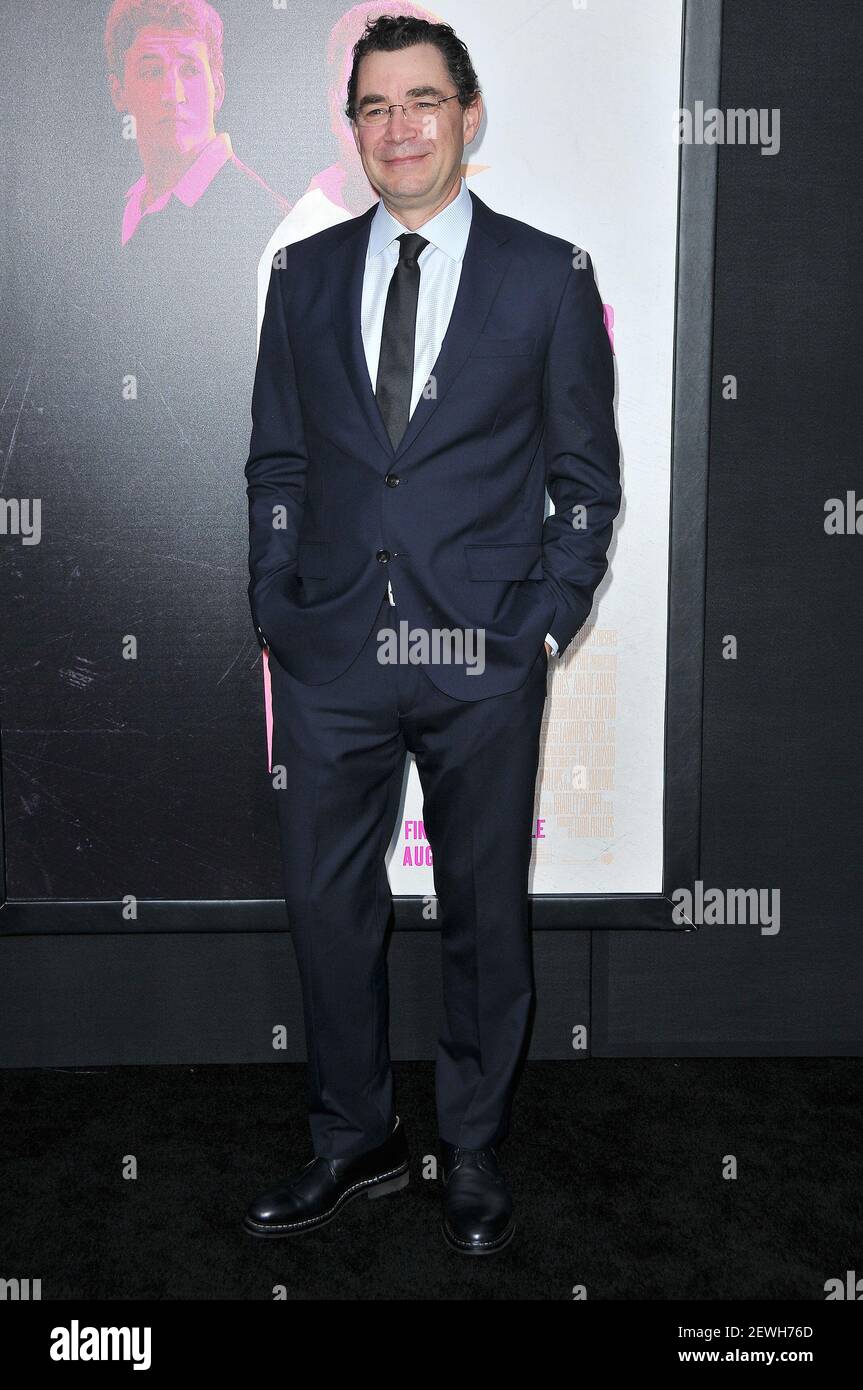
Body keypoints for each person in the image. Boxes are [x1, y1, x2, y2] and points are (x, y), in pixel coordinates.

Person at [242, 14, 621, 1254]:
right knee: (328, 908)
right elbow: (279, 460)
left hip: (477, 659)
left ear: (467, 116)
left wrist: (540, 627)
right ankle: (353, 1138)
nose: (396, 128)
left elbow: (582, 480)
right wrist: (277, 602)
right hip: (332, 657)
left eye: (420, 102)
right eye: (372, 108)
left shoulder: (546, 275)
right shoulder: (300, 276)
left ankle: (467, 1146)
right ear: (350, 128)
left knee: (479, 910)